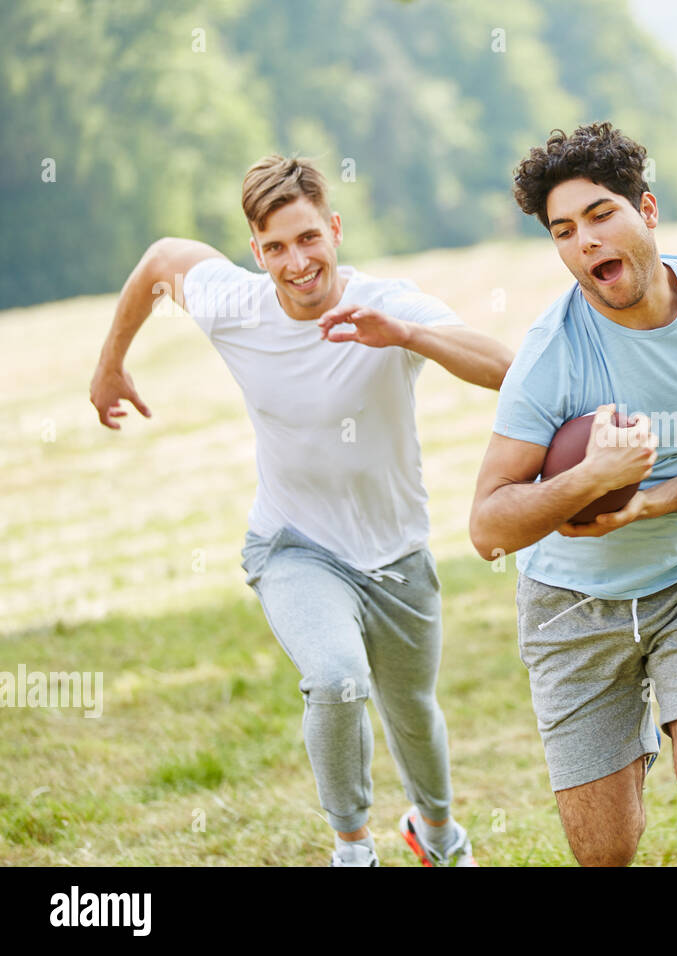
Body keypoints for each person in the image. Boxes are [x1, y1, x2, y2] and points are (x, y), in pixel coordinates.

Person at [89, 155, 512, 867]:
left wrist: (405, 336)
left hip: (397, 554)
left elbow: (504, 366)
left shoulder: (388, 305)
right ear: (255, 252)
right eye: (277, 247)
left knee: (413, 713)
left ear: (335, 229)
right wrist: (109, 364)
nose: (297, 262)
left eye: (308, 238)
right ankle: (352, 848)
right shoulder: (236, 304)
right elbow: (161, 259)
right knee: (337, 678)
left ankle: (436, 832)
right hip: (294, 546)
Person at [469, 123, 677, 866]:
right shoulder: (548, 358)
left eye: (600, 215)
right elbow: (487, 527)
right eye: (563, 231)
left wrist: (651, 500)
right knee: (605, 854)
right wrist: (590, 481)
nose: (584, 242)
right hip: (571, 608)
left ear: (646, 212)